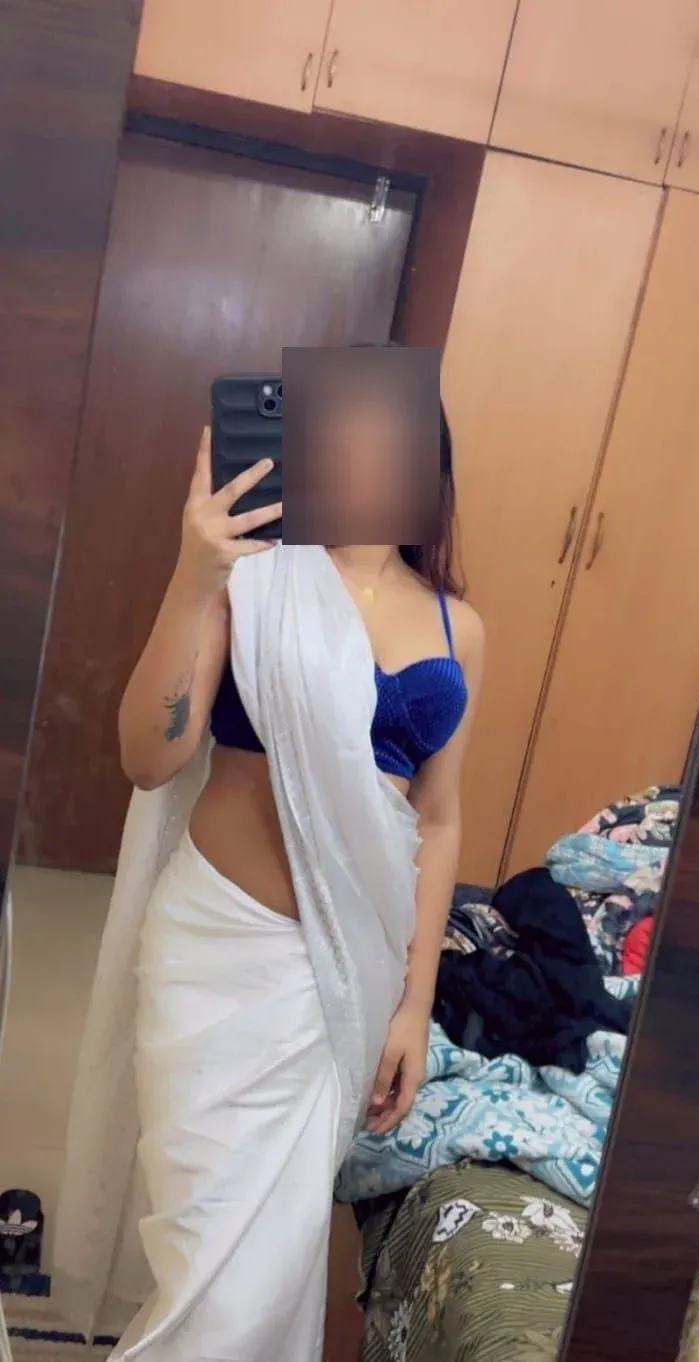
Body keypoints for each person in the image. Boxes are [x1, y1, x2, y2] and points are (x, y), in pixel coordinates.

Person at [52, 368, 484, 1362]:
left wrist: (413, 1004)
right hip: (216, 957)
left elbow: (439, 818)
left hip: (344, 983)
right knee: (214, 1276)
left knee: (274, 1270)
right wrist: (193, 576)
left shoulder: (458, 628)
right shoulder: (254, 582)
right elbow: (147, 756)